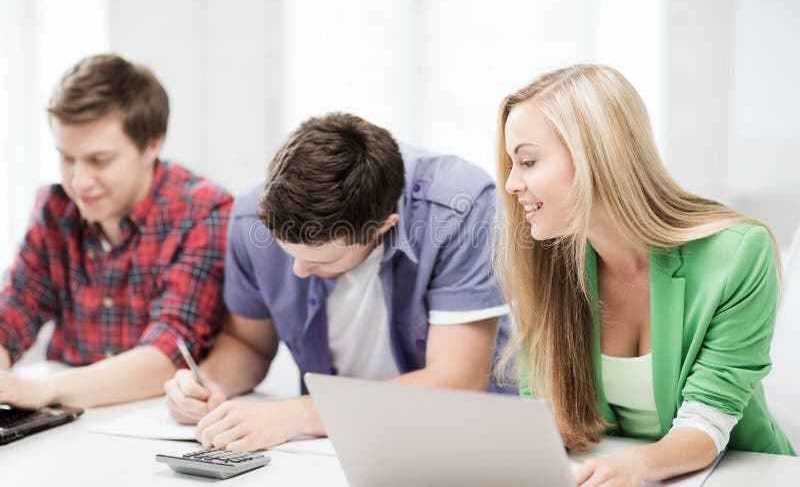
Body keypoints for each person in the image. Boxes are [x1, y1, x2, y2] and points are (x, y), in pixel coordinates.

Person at [494, 64, 794, 485]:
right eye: (512, 164)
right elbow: (544, 419)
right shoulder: (547, 263)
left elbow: (707, 421)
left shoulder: (737, 253)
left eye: (527, 161)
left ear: (596, 154)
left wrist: (635, 466)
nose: (510, 184)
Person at [164, 112, 511, 451]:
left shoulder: (459, 209)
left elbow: (458, 383)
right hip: (328, 450)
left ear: (382, 227)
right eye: (288, 252)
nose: (298, 270)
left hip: (450, 445)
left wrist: (296, 415)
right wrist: (206, 383)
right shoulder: (248, 217)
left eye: (321, 259)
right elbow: (248, 344)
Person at [0, 54, 232, 409]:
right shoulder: (54, 208)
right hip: (72, 419)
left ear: (152, 144)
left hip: (159, 417)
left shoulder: (204, 212)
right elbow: (15, 309)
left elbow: (169, 352)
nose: (79, 181)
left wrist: (44, 390)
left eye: (99, 160)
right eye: (67, 158)